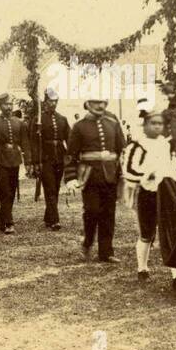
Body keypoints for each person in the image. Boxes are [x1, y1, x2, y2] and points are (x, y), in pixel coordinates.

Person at [122, 107, 176, 281]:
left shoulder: (165, 144)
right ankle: (142, 268)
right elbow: (128, 170)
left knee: (172, 230)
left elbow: (172, 167)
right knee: (147, 232)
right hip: (147, 193)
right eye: (153, 123)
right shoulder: (137, 145)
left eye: (160, 124)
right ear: (145, 125)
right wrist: (145, 176)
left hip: (167, 193)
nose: (157, 127)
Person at [64, 97, 127, 263]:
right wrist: (70, 177)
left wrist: (124, 172)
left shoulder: (113, 123)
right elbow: (71, 155)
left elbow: (122, 149)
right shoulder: (79, 126)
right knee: (92, 211)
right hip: (89, 176)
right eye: (96, 102)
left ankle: (106, 252)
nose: (101, 106)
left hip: (110, 175)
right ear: (88, 104)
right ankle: (88, 242)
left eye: (103, 102)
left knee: (108, 213)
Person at [0, 93, 29, 233]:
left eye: (10, 104)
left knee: (11, 191)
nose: (8, 107)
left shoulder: (19, 122)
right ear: (0, 106)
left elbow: (25, 143)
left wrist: (28, 161)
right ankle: (9, 222)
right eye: (6, 104)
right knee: (5, 191)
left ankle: (2, 218)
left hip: (14, 161)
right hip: (0, 161)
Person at [28, 87, 69, 230]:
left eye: (55, 101)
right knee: (50, 188)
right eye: (51, 101)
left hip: (59, 158)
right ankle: (55, 220)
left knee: (56, 188)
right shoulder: (38, 120)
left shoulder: (62, 119)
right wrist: (35, 161)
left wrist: (71, 157)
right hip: (45, 159)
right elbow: (33, 142)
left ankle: (48, 216)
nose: (53, 104)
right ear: (45, 102)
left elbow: (69, 139)